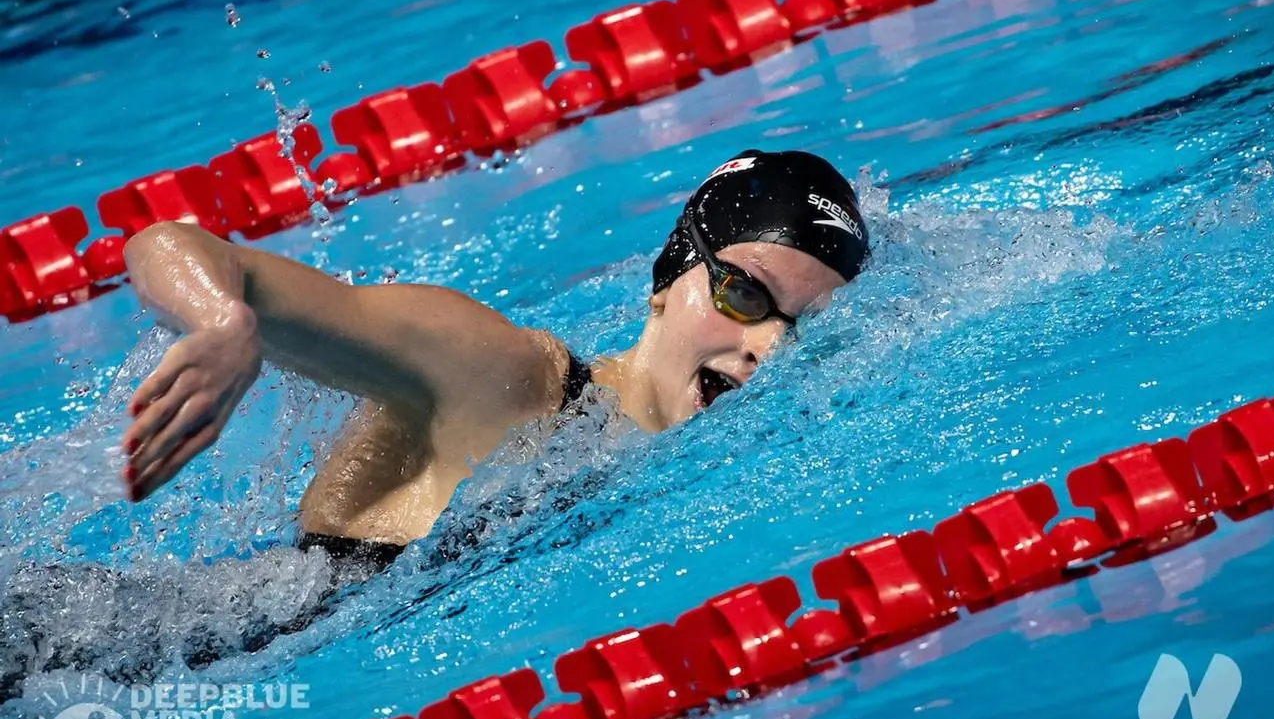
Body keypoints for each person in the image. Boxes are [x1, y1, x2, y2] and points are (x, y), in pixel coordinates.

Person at [120, 149, 870, 575]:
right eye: (744, 294)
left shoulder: (676, 463)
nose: (769, 347)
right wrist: (225, 320)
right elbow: (167, 244)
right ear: (667, 282)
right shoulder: (508, 377)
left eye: (802, 330)